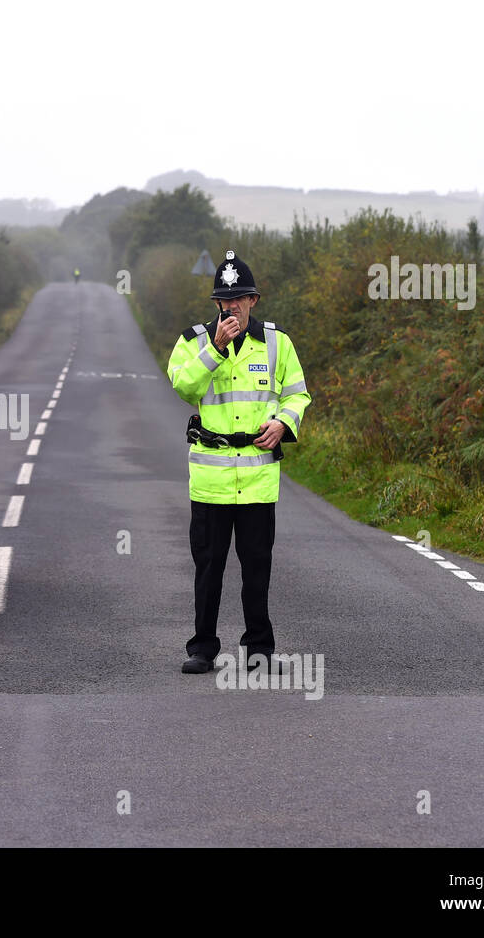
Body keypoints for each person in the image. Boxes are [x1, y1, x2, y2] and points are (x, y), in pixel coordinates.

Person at [166, 251, 312, 674]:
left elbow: (298, 393)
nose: (232, 307)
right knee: (208, 565)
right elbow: (183, 386)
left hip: (257, 477)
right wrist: (215, 348)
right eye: (224, 301)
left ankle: (259, 650)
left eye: (240, 299)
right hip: (210, 478)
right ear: (216, 304)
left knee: (257, 566)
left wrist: (284, 423)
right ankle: (202, 648)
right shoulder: (194, 341)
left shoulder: (277, 342)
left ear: (254, 300)